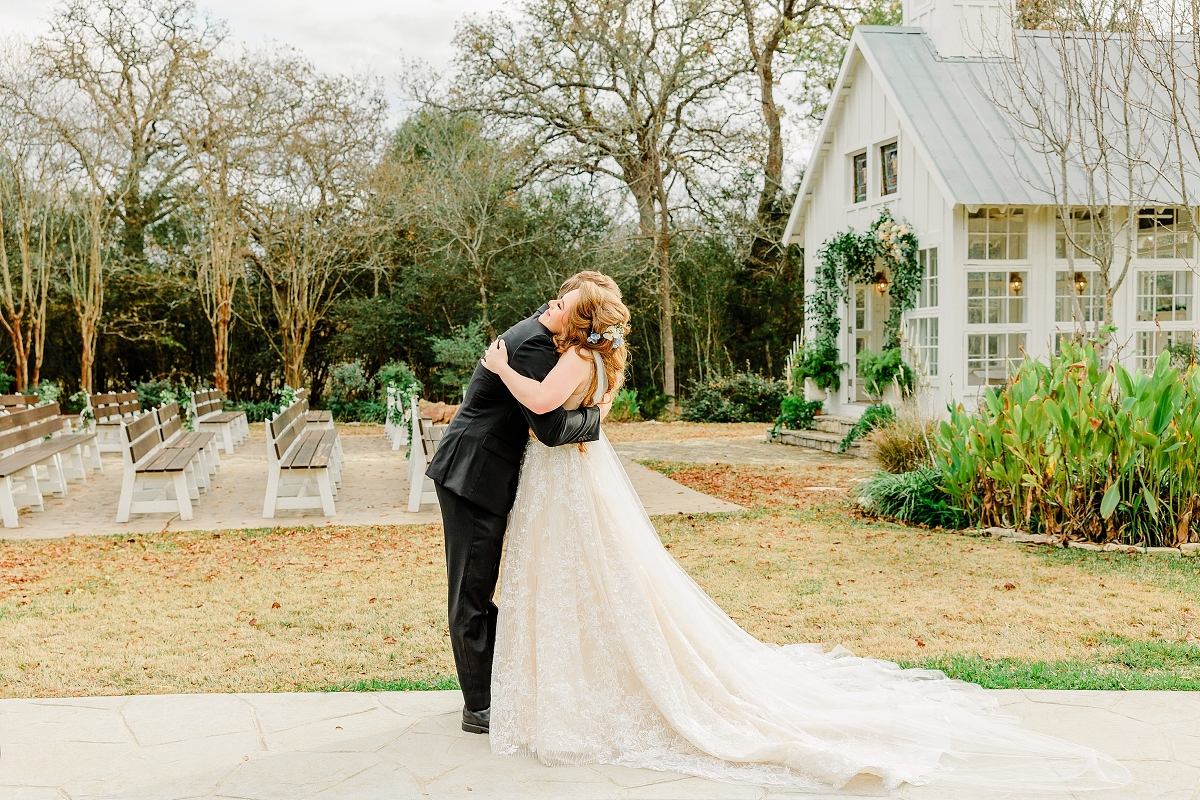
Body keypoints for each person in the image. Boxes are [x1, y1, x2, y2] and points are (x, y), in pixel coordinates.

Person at [477, 276, 1131, 792]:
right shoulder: (602, 361)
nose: (554, 306)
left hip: (566, 482)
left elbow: (538, 404)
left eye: (565, 302)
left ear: (584, 319)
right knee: (587, 578)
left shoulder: (574, 362)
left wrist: (503, 369)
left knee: (577, 577)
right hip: (577, 478)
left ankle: (583, 692)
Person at [425, 271, 613, 736]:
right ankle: (479, 707)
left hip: (483, 472)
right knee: (471, 589)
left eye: (564, 300)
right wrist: (599, 413)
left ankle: (492, 689)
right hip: (472, 477)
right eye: (558, 297)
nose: (553, 302)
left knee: (480, 585)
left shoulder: (540, 336)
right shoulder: (531, 346)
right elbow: (550, 430)